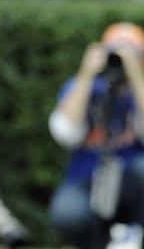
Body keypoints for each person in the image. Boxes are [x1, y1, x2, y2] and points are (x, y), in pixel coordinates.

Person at [48, 23, 144, 249]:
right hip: (88, 175)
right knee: (67, 212)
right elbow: (65, 132)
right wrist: (86, 74)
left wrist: (136, 76)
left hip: (133, 176)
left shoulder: (139, 88)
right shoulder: (83, 86)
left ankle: (133, 233)